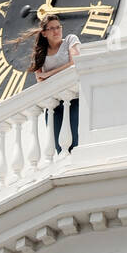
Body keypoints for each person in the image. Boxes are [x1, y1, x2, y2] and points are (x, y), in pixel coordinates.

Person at [29, 15, 81, 151]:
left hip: (74, 99)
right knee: (59, 147)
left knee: (75, 144)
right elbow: (40, 79)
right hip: (54, 105)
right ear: (44, 33)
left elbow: (75, 62)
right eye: (51, 28)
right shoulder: (40, 53)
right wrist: (46, 75)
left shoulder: (70, 40)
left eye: (58, 27)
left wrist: (49, 74)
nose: (56, 31)